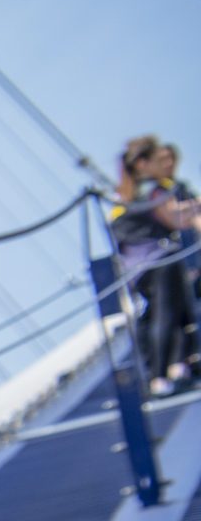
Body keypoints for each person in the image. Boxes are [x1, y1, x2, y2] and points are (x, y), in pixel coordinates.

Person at [110, 135, 201, 393]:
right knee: (170, 312)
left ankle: (165, 371)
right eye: (158, 159)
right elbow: (177, 219)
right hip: (158, 260)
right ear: (143, 164)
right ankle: (164, 373)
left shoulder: (125, 194)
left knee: (163, 313)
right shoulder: (152, 190)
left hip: (138, 267)